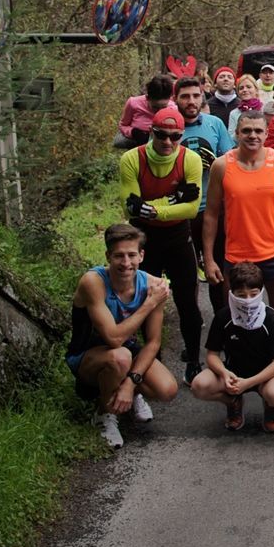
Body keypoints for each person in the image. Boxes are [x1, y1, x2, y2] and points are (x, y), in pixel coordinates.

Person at [203, 112, 274, 397]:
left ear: (266, 133)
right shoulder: (221, 166)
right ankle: (234, 369)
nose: (253, 136)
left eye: (258, 131)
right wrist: (209, 258)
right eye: (247, 130)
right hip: (237, 255)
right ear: (236, 132)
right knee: (234, 316)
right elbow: (211, 214)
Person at [67, 224, 178, 448]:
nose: (126, 263)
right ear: (108, 256)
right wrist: (149, 304)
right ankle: (103, 414)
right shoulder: (93, 282)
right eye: (119, 256)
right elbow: (113, 339)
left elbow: (154, 341)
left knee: (167, 389)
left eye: (131, 255)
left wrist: (131, 383)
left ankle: (128, 392)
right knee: (120, 356)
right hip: (89, 356)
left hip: (127, 353)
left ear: (142, 256)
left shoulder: (153, 285)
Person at [118, 107, 205, 384]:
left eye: (175, 136)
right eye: (161, 135)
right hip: (145, 240)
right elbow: (131, 208)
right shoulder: (132, 159)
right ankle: (150, 360)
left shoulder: (190, 158)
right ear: (151, 132)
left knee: (187, 303)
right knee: (144, 301)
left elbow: (191, 209)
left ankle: (193, 360)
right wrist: (171, 202)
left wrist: (153, 209)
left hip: (179, 237)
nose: (168, 142)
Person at [189, 262, 274, 432]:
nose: (248, 300)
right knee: (199, 385)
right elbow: (212, 355)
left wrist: (250, 383)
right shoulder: (224, 316)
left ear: (261, 292)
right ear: (232, 293)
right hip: (233, 373)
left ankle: (271, 406)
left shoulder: (272, 319)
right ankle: (233, 402)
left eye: (253, 294)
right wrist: (224, 373)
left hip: (267, 376)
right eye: (241, 295)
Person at [175, 77, 235, 312]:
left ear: (202, 97)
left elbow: (230, 159)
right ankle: (192, 322)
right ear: (175, 99)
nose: (191, 101)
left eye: (195, 96)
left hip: (214, 209)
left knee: (218, 270)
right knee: (186, 274)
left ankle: (223, 321)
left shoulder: (214, 123)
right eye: (185, 96)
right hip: (181, 211)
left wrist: (216, 163)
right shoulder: (167, 127)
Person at [116, 74, 175, 147]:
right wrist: (133, 132)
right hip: (135, 146)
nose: (158, 111)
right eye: (155, 107)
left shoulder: (174, 108)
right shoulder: (133, 103)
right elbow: (123, 125)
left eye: (163, 107)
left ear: (170, 99)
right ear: (147, 98)